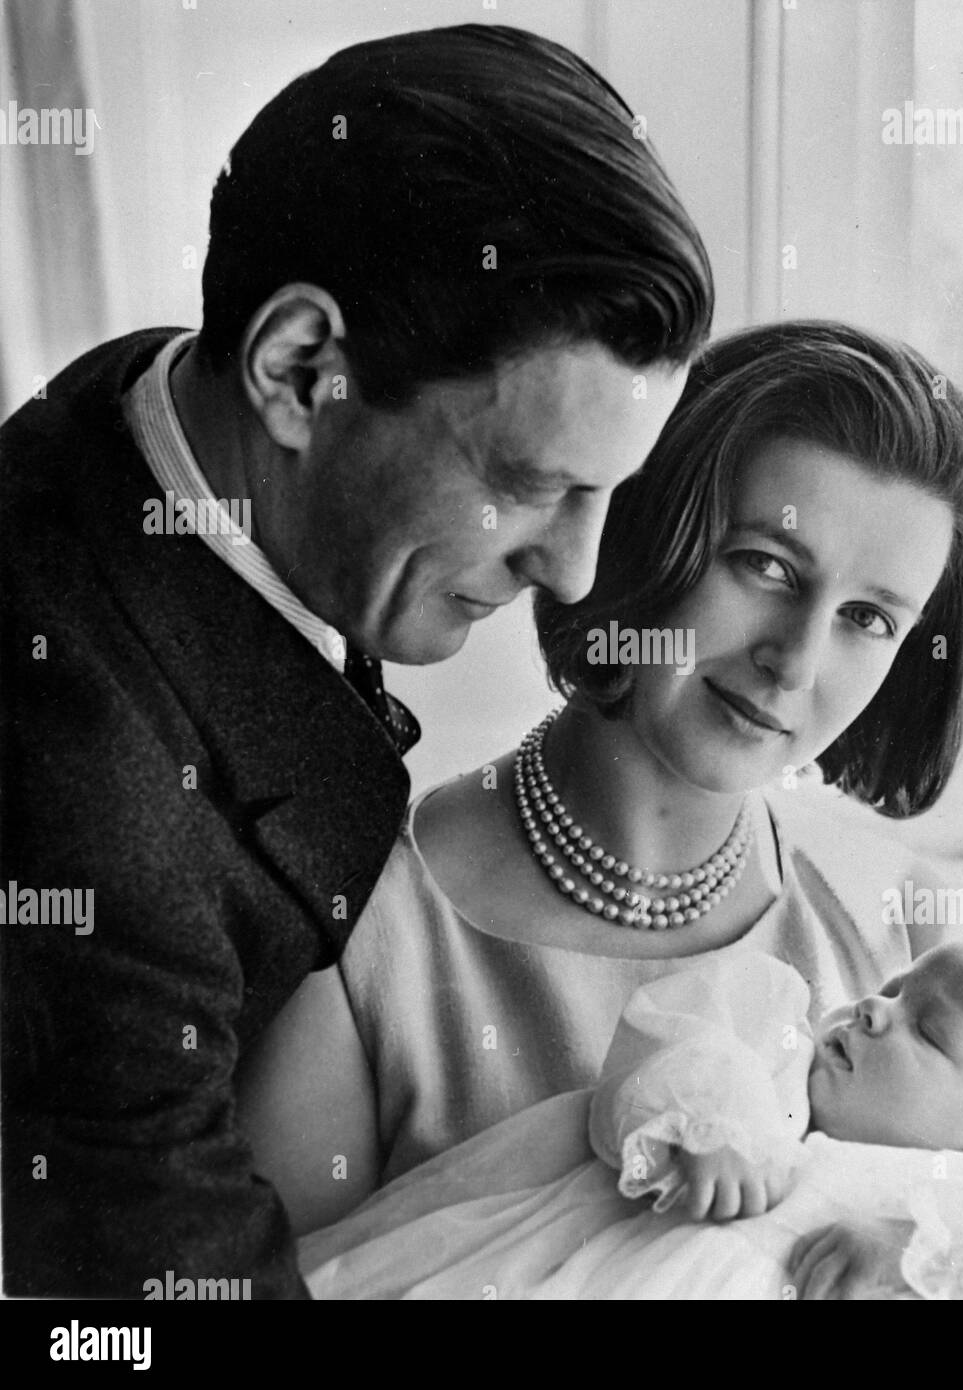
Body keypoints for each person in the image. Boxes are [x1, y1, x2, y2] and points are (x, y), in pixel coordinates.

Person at [0, 24, 710, 1298]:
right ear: (299, 370)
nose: (579, 571)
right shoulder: (91, 827)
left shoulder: (150, 422)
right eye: (530, 483)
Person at [237, 319, 963, 1238]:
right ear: (642, 533)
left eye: (868, 619)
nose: (796, 662)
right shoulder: (357, 931)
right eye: (764, 565)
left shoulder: (904, 933)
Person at [297, 945, 963, 1300]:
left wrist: (930, 1256)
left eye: (928, 1030)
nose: (873, 1009)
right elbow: (669, 1038)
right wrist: (715, 1123)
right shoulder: (772, 1049)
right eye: (895, 990)